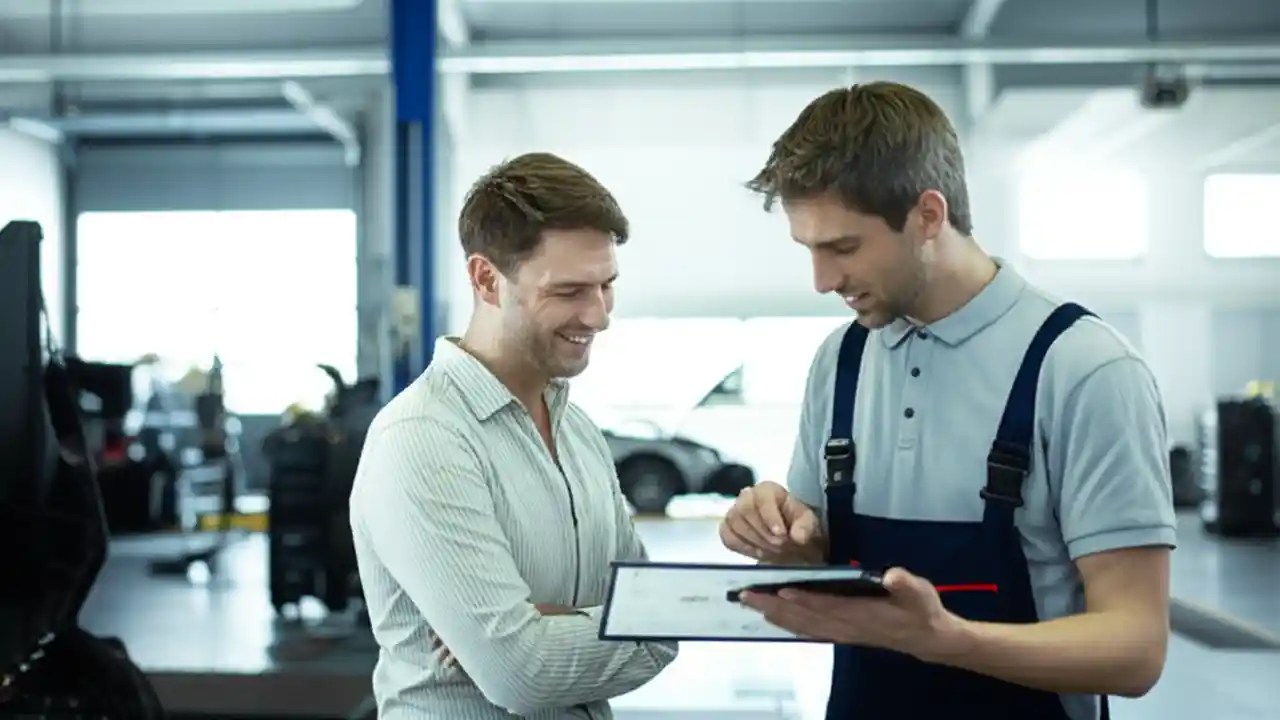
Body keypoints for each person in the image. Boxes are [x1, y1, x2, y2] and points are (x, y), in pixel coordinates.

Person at [719, 82, 1175, 720]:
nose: (822, 281)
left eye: (843, 247)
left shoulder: (1084, 369)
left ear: (928, 216)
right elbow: (820, 558)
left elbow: (1135, 648)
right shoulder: (840, 361)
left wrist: (949, 641)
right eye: (810, 250)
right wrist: (783, 541)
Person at [349, 152, 677, 719]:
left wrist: (563, 626)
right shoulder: (423, 439)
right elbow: (521, 674)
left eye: (607, 286)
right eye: (570, 291)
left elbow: (661, 624)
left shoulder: (578, 432)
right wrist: (612, 624)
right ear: (486, 279)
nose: (598, 316)